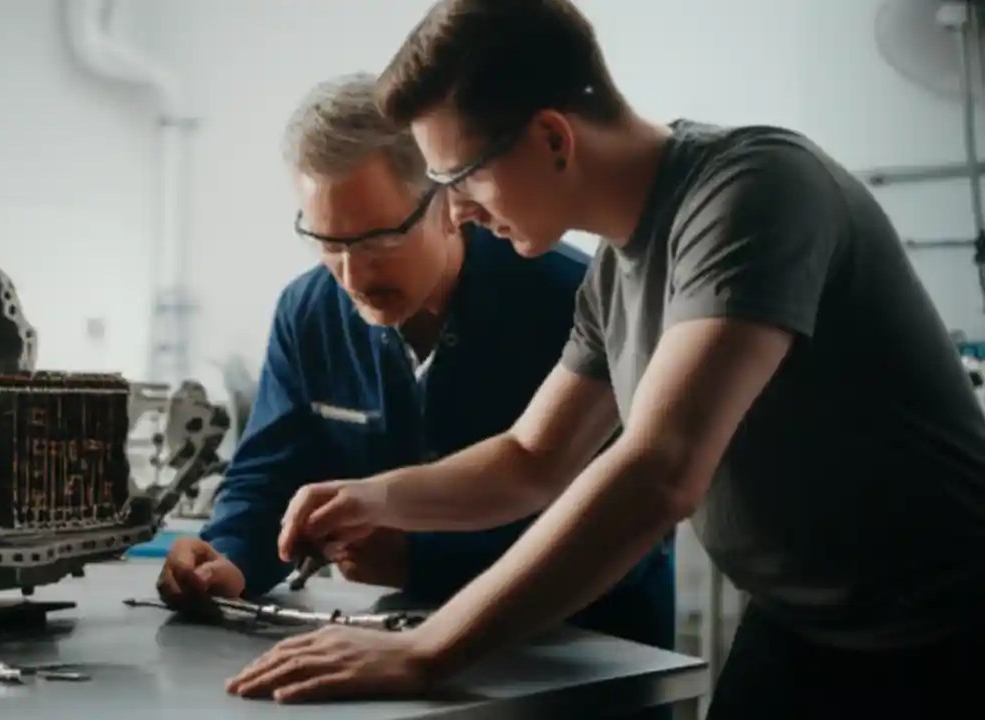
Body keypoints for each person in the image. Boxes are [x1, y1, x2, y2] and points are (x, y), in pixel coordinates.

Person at [225, 1, 985, 716]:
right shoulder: (618, 273)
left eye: (459, 179)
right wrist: (375, 497)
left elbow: (659, 473)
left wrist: (428, 648)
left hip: (947, 625)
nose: (455, 211)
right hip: (801, 625)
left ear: (553, 138)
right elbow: (532, 457)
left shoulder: (754, 191)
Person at [155, 72, 676, 653]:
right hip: (407, 657)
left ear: (447, 200)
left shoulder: (574, 300)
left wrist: (421, 559)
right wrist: (225, 559)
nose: (353, 278)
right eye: (329, 243)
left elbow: (623, 533)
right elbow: (266, 479)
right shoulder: (308, 313)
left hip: (588, 660)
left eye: (379, 240)